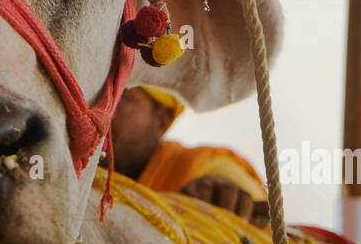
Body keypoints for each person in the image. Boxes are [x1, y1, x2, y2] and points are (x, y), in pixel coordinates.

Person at [110, 85, 268, 222]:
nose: (100, 109)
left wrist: (225, 198)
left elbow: (262, 221)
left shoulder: (203, 164)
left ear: (161, 120)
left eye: (121, 98)